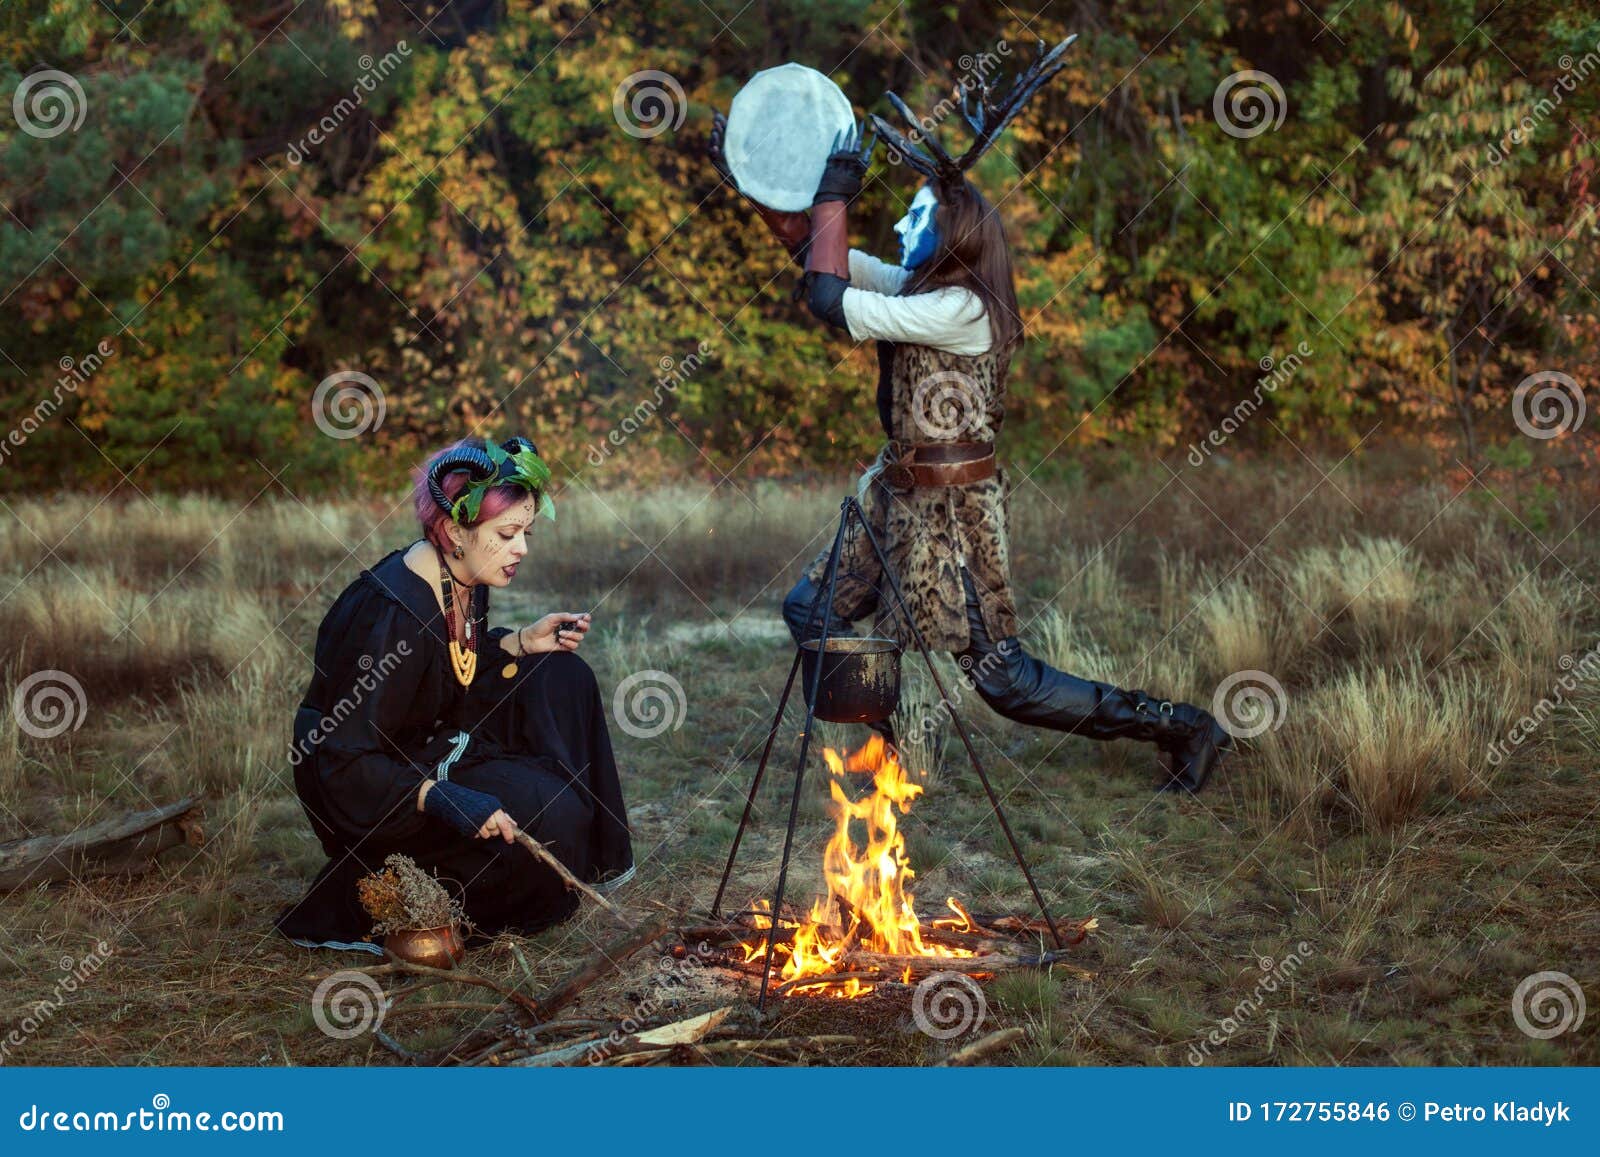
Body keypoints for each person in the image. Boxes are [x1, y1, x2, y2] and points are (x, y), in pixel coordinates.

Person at [709, 43, 1230, 792]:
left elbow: (828, 299)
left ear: (956, 233)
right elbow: (817, 267)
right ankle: (888, 745)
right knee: (811, 609)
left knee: (1004, 681)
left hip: (952, 516)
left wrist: (832, 197)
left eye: (915, 216)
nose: (899, 229)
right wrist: (767, 190)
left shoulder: (962, 311)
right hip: (895, 495)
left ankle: (1182, 725)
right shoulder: (921, 292)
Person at [274, 436, 634, 953]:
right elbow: (341, 755)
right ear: (451, 531)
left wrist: (521, 642)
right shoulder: (393, 620)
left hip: (430, 745)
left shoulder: (462, 574)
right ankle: (386, 885)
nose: (523, 549)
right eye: (508, 533)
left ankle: (561, 830)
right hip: (371, 789)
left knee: (562, 676)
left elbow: (452, 670)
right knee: (548, 815)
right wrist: (442, 796)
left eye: (527, 532)